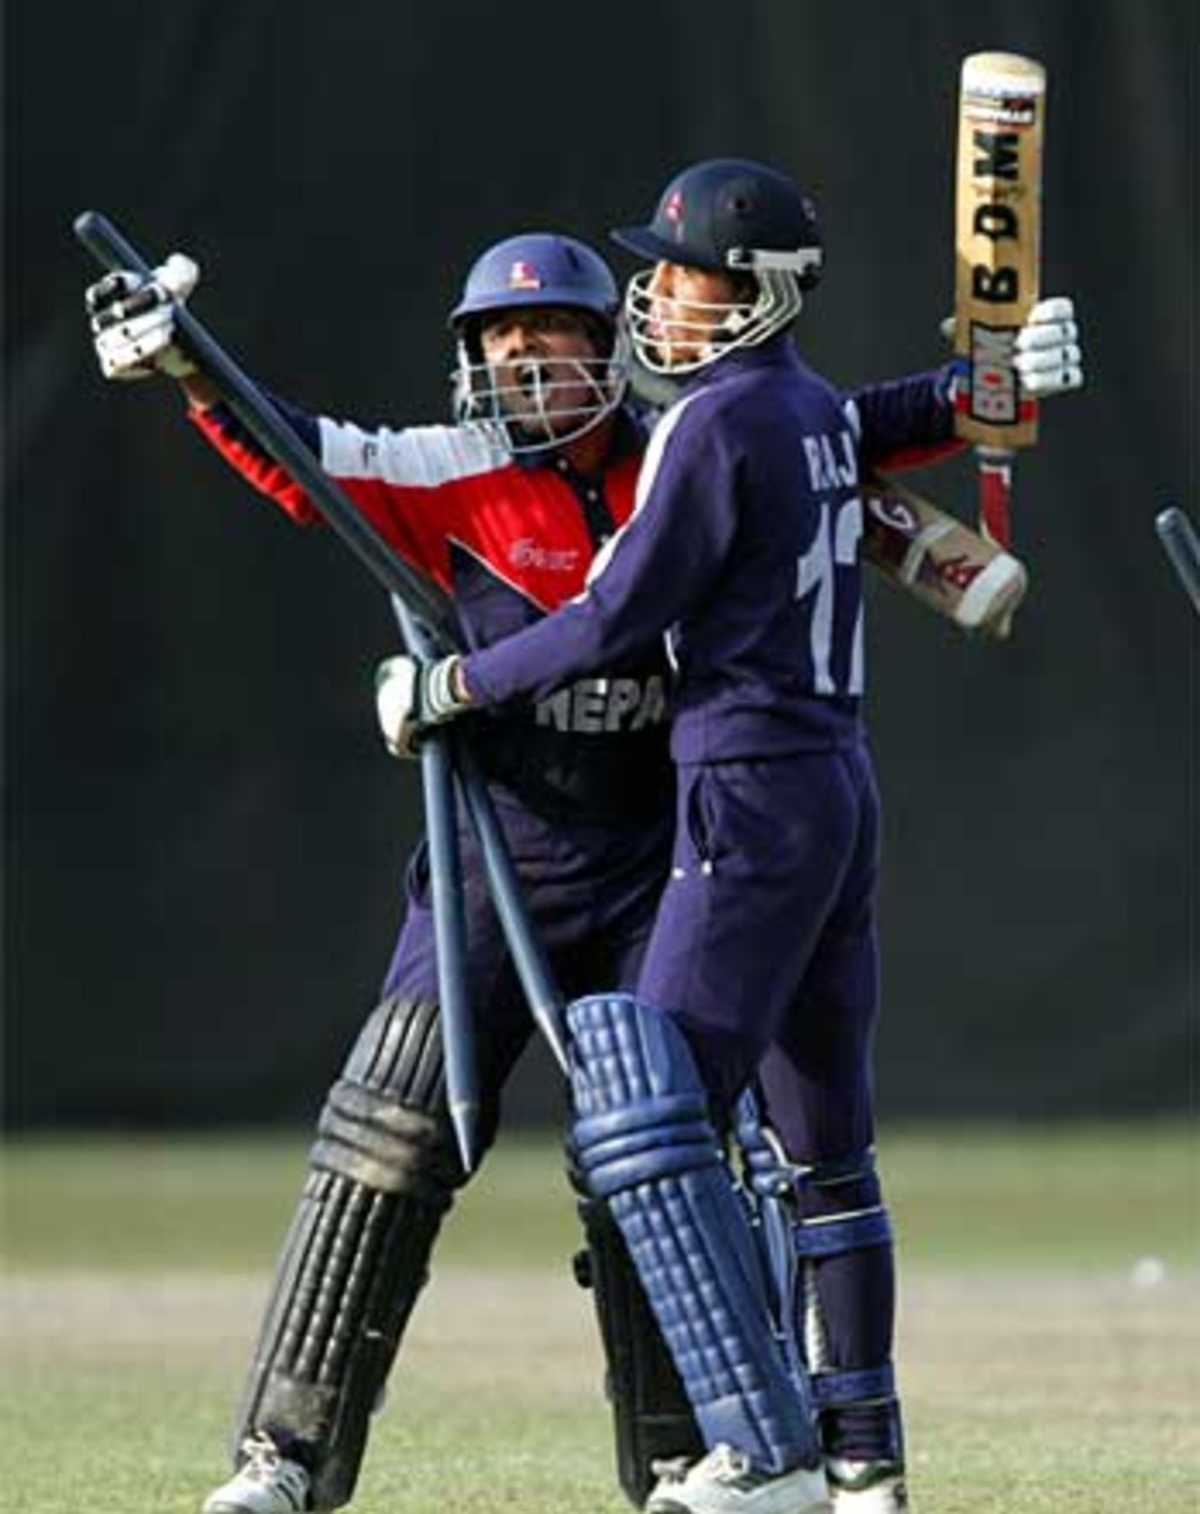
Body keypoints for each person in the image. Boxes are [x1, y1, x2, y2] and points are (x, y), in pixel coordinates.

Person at [375, 157, 1083, 1514]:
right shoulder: (804, 408)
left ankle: (762, 1452)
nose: (659, 294)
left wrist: (455, 685)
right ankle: (867, 1459)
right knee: (829, 1151)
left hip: (743, 786)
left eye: (688, 274)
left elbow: (609, 619)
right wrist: (980, 389)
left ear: (755, 294)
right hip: (838, 784)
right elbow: (871, 419)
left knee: (659, 1121)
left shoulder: (708, 425)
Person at [86, 232, 705, 1514]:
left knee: (653, 1153)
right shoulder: (450, 469)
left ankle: (694, 1464)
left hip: (661, 865)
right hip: (498, 861)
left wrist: (980, 396)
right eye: (500, 343)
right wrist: (188, 367)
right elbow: (296, 449)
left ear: (613, 348)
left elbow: (833, 450)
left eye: (553, 339)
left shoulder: (688, 459)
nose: (525, 362)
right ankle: (285, 1460)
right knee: (387, 1130)